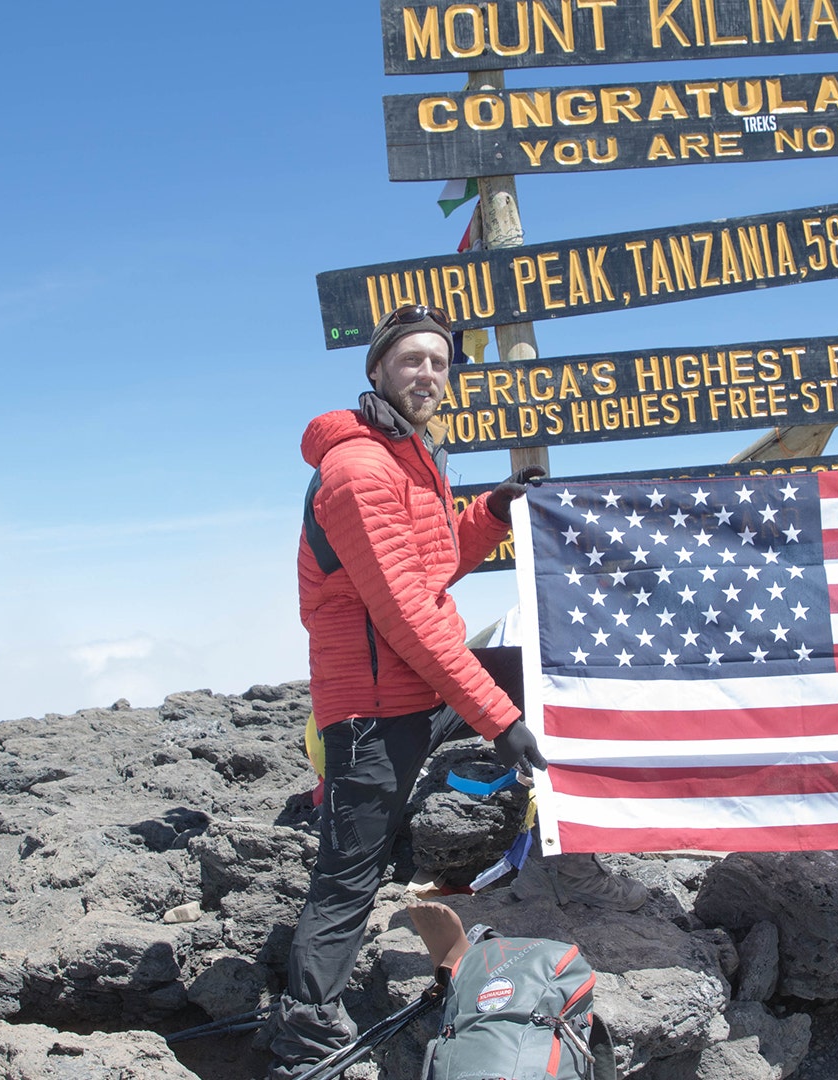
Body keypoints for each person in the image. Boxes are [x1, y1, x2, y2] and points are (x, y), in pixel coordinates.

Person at [271, 303, 645, 1080]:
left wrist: (492, 512)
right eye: (412, 360)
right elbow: (407, 611)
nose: (428, 374)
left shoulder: (411, 456)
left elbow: (432, 567)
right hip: (372, 707)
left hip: (410, 686)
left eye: (439, 363)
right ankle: (303, 1031)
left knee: (537, 676)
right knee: (351, 867)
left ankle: (557, 838)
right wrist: (498, 719)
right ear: (376, 370)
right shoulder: (358, 469)